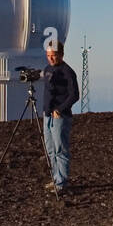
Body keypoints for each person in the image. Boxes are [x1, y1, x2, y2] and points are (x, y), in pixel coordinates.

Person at [40, 42, 80, 195]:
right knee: (50, 149)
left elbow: (74, 95)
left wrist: (60, 109)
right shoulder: (48, 69)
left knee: (59, 149)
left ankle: (61, 182)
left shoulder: (67, 72)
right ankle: (56, 178)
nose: (50, 59)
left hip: (60, 116)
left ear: (61, 55)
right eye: (48, 56)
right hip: (47, 115)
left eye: (53, 56)